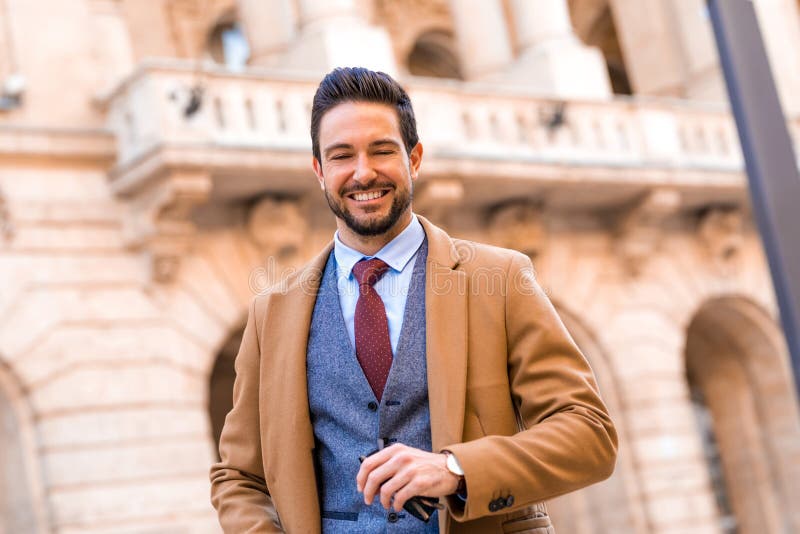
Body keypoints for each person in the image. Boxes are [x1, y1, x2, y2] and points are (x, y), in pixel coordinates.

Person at [210, 67, 617, 534]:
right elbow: (237, 476)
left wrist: (456, 469)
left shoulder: (500, 278)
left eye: (381, 150)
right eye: (342, 156)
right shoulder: (272, 313)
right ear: (320, 171)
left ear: (415, 158)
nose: (363, 172)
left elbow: (589, 432)